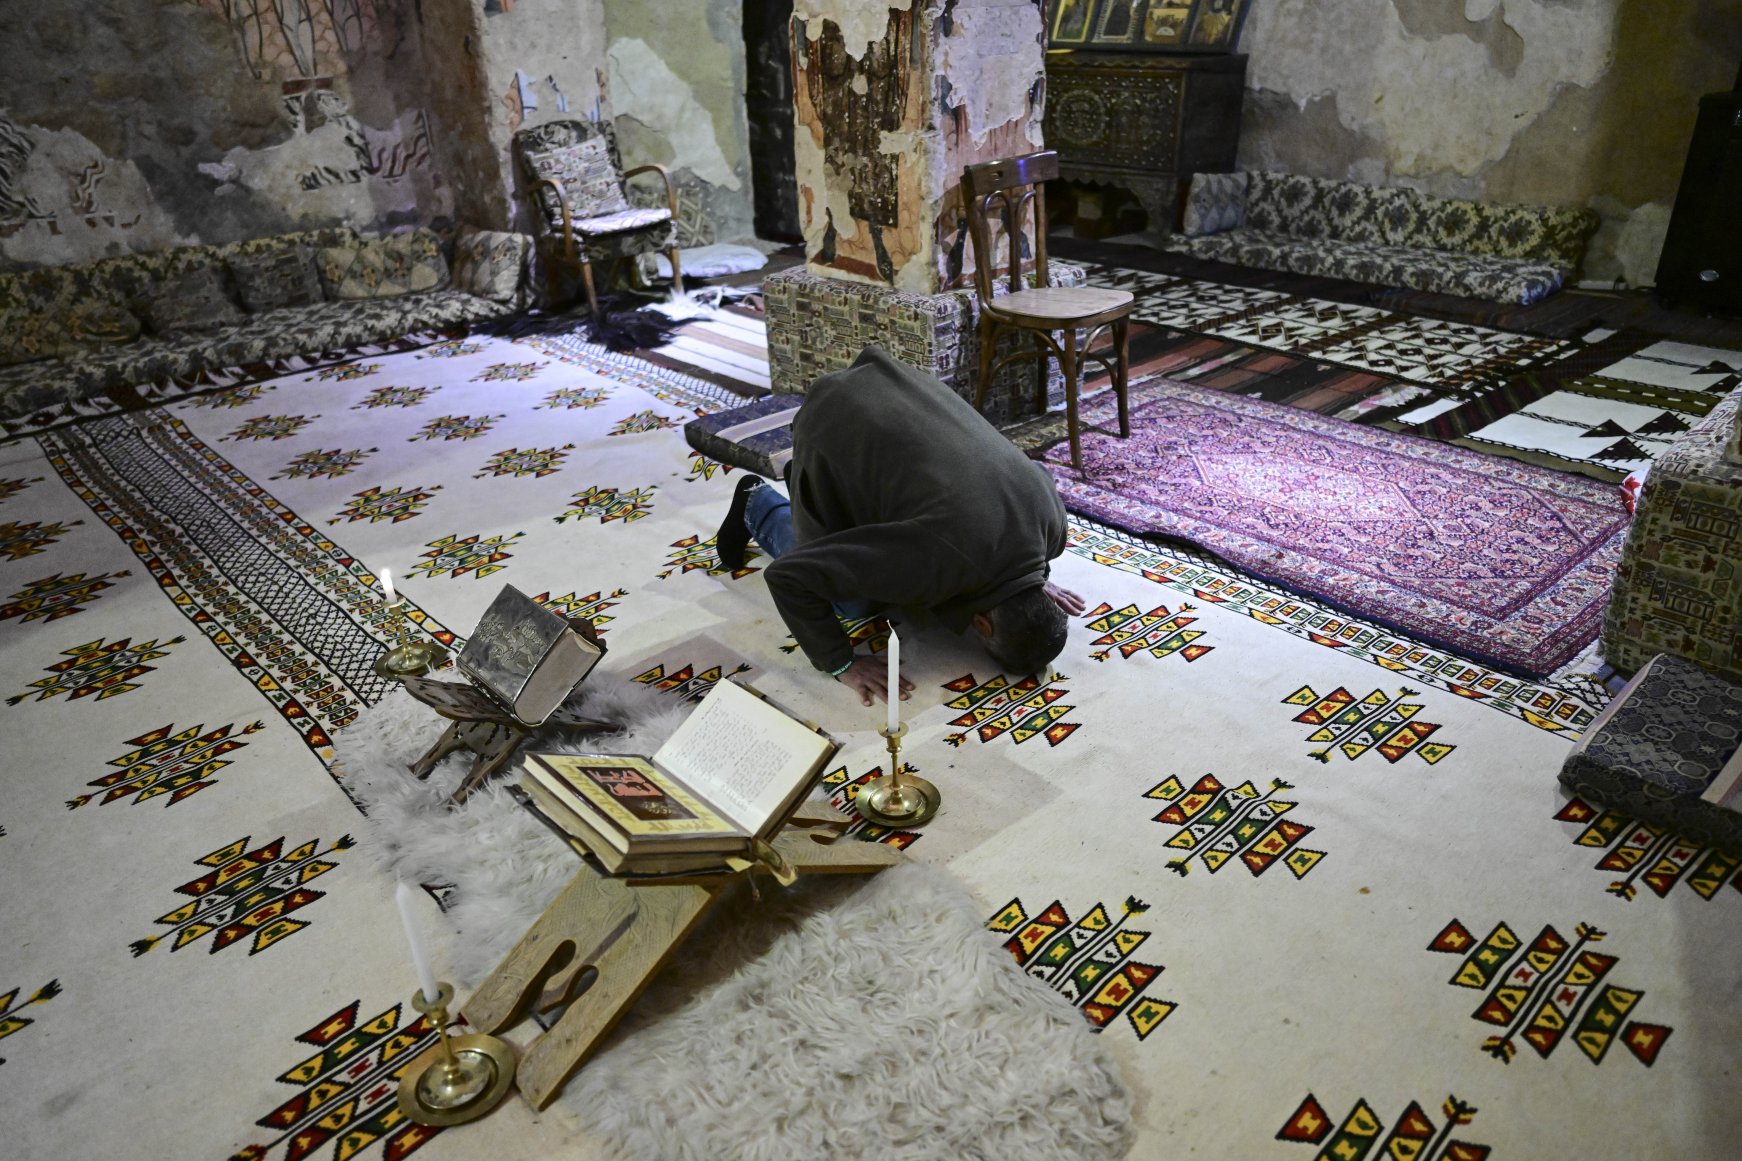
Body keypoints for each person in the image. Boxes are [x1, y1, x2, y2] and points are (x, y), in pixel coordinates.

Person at [713, 345, 1085, 707]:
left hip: (900, 382)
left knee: (902, 570)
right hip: (832, 418)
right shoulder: (930, 558)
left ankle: (815, 489)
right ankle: (759, 504)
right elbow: (790, 578)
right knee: (855, 602)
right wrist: (841, 663)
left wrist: (1031, 578)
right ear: (983, 626)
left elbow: (1037, 473)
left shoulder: (1052, 531)